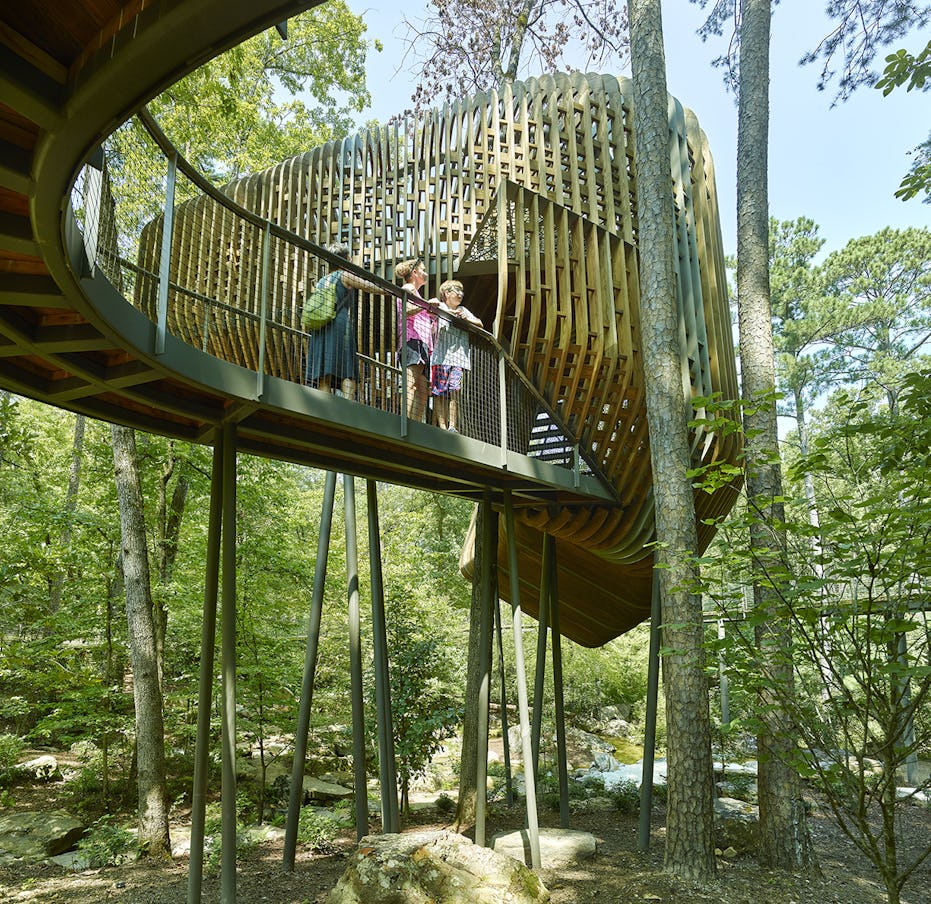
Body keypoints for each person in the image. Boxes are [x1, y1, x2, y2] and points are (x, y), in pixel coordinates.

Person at [305, 243, 384, 400]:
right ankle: (348, 405)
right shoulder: (345, 275)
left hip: (320, 326)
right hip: (339, 323)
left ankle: (325, 407)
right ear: (346, 259)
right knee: (347, 368)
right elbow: (368, 286)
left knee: (324, 371)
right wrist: (392, 291)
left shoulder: (321, 281)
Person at [430, 279, 482, 433]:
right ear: (446, 293)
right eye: (456, 291)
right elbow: (431, 305)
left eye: (461, 292)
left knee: (455, 390)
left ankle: (452, 425)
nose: (460, 294)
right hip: (440, 357)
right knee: (439, 392)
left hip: (458, 359)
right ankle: (442, 426)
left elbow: (479, 323)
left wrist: (466, 319)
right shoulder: (440, 306)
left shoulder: (463, 310)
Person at [394, 258, 437, 420]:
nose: (426, 273)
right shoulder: (408, 288)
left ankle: (415, 422)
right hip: (412, 340)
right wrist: (428, 305)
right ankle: (406, 421)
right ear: (415, 273)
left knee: (423, 390)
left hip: (421, 342)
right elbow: (407, 310)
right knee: (411, 383)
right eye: (423, 270)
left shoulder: (416, 292)